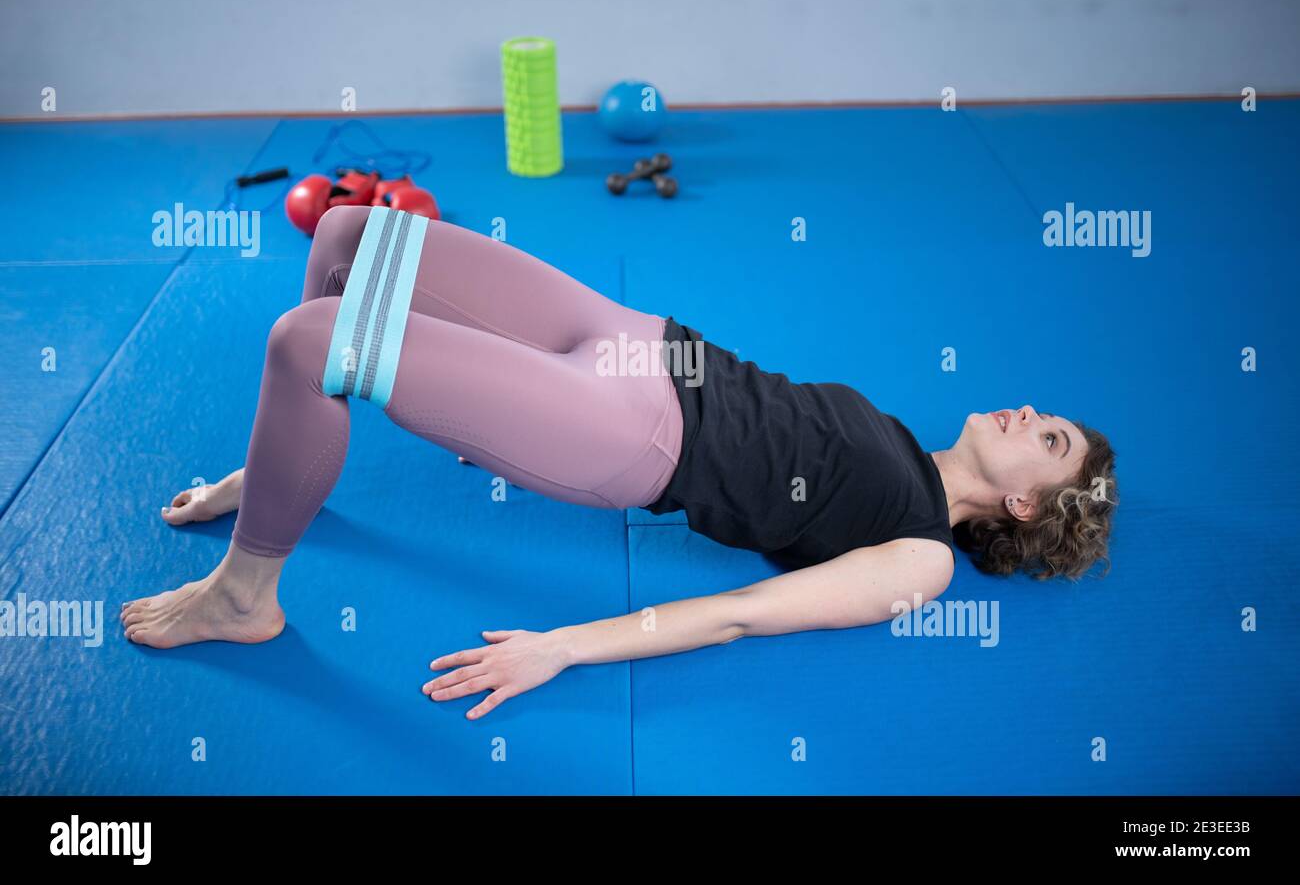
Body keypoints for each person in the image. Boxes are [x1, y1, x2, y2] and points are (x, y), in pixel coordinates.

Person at [121, 206, 1117, 720]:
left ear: (1027, 502)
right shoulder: (901, 437)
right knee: (346, 236)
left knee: (311, 340)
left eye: (1050, 438)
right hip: (638, 336)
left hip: (625, 430)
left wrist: (563, 644)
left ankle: (244, 594)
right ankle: (283, 463)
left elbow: (740, 613)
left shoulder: (924, 557)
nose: (1031, 414)